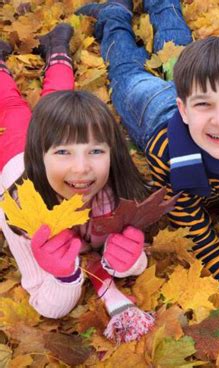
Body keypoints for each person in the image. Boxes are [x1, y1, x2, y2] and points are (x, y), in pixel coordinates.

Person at [75, 0, 219, 355]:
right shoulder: (166, 154)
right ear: (185, 109)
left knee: (177, 54)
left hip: (190, 110)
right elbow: (202, 241)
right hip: (153, 110)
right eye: (203, 105)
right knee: (127, 73)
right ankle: (115, 14)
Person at [0, 24, 155, 343]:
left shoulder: (112, 188)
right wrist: (64, 276)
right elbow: (48, 306)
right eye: (65, 153)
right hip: (14, 156)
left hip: (45, 144)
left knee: (57, 97)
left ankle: (55, 47)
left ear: (112, 153)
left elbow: (131, 254)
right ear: (41, 156)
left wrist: (131, 260)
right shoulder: (18, 209)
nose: (82, 168)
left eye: (95, 150)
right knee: (11, 109)